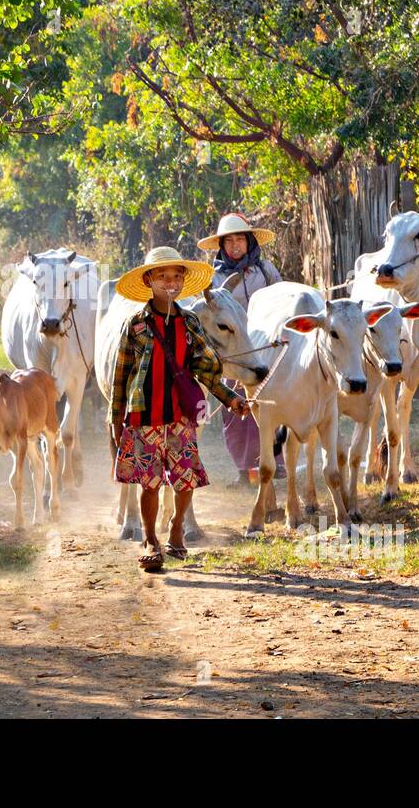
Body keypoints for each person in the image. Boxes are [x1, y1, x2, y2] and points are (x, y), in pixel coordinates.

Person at [109, 247, 253, 571]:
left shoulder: (189, 323)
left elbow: (206, 369)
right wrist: (115, 421)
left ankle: (176, 527)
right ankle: (150, 539)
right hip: (144, 416)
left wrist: (230, 398)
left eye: (176, 276)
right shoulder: (134, 326)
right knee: (149, 483)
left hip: (180, 417)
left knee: (185, 480)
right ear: (149, 280)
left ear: (183, 281)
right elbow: (121, 376)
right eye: (162, 276)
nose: (170, 282)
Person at [196, 212, 287, 486]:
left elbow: (282, 299)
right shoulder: (212, 279)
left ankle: (275, 463)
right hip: (233, 352)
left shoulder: (265, 270)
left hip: (264, 345)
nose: (235, 245)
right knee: (236, 410)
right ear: (222, 246)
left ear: (249, 242)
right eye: (229, 241)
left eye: (240, 240)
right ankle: (244, 470)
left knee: (272, 403)